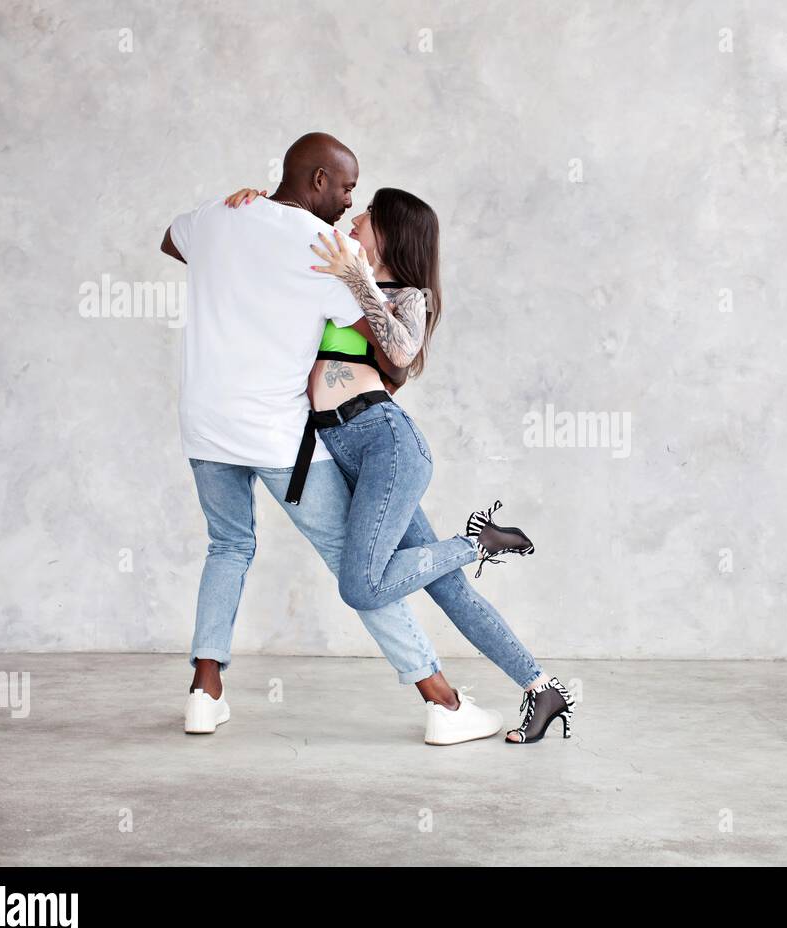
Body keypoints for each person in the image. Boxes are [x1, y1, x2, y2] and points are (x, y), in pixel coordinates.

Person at [162, 132, 527, 745]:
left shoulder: (220, 217)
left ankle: (205, 692)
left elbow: (171, 241)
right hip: (279, 437)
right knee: (358, 567)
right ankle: (443, 701)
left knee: (227, 547)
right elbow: (395, 351)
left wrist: (240, 244)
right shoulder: (324, 248)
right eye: (348, 187)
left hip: (204, 423)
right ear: (319, 183)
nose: (352, 201)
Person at [222, 181, 575, 744]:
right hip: (343, 450)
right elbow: (282, 245)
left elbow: (402, 349)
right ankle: (541, 686)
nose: (355, 218)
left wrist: (358, 280)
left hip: (385, 444)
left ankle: (479, 544)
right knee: (449, 589)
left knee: (360, 587)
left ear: (391, 234)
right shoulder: (335, 273)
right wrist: (261, 205)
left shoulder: (405, 293)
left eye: (367, 214)